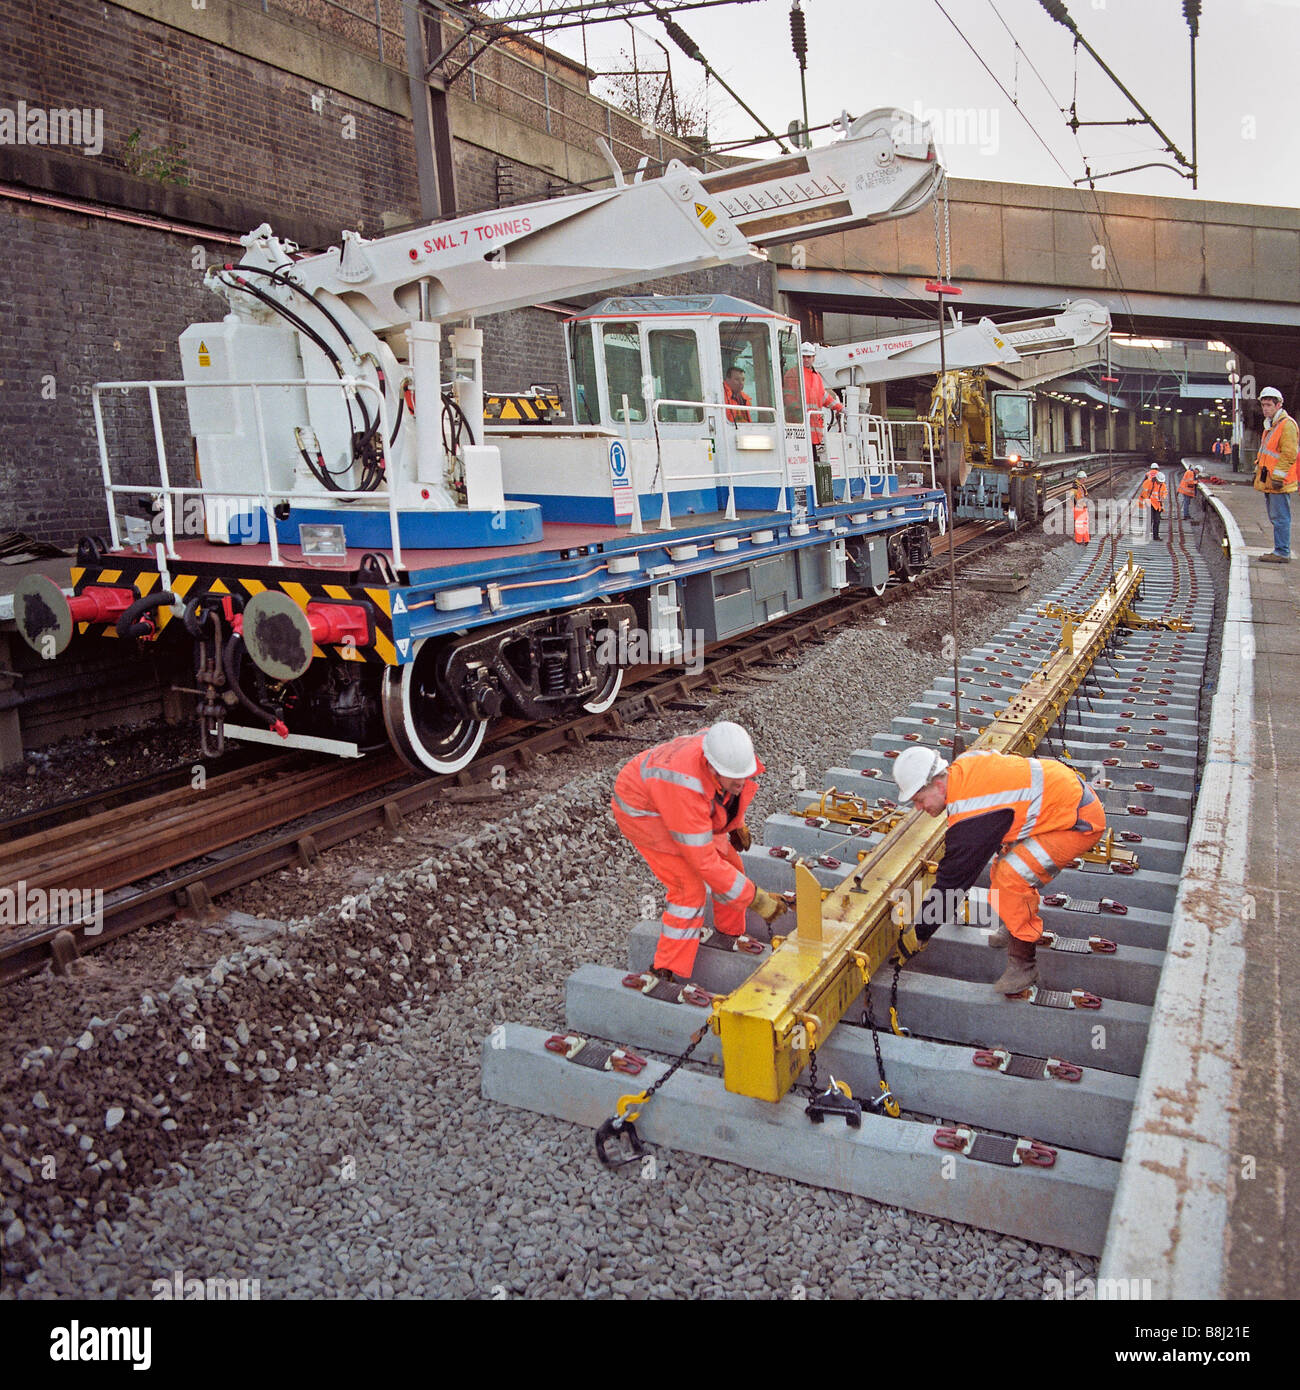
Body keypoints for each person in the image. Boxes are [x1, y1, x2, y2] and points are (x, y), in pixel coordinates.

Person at [891, 746, 1107, 994]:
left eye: (919, 800)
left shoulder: (972, 815)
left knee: (1012, 877)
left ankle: (1024, 962)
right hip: (1059, 799)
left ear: (939, 786)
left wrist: (920, 933)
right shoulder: (962, 767)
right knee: (1001, 868)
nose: (918, 808)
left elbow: (952, 885)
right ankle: (1015, 924)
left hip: (1078, 821)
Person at [611, 721, 788, 980]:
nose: (742, 781)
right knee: (688, 889)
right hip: (644, 812)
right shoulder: (685, 787)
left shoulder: (726, 751)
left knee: (731, 864)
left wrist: (735, 823)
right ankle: (665, 968)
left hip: (670, 795)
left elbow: (724, 797)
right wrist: (756, 899)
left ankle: (729, 932)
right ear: (713, 768)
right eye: (734, 777)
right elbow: (703, 862)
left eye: (745, 774)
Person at [1253, 386, 1298, 563]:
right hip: (1270, 481)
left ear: (1278, 405)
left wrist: (1278, 477)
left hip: (1279, 481)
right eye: (1263, 405)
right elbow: (1266, 455)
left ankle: (1281, 552)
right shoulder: (1271, 426)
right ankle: (1280, 550)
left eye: (1269, 405)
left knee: (1280, 518)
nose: (1265, 408)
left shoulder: (1287, 425)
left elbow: (1289, 454)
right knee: (1276, 517)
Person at [799, 342, 843, 458]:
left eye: (808, 357)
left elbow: (824, 397)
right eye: (803, 357)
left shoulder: (816, 376)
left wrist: (841, 408)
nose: (806, 360)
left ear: (814, 358)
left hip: (813, 430)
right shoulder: (795, 374)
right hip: (800, 429)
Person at [1138, 466, 1168, 541]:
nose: (1160, 483)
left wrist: (1163, 497)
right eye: (1160, 481)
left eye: (1161, 482)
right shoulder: (1148, 482)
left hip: (1157, 505)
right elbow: (1144, 492)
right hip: (1150, 503)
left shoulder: (1163, 485)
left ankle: (1156, 536)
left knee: (1157, 521)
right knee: (1149, 520)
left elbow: (1165, 492)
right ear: (1156, 479)